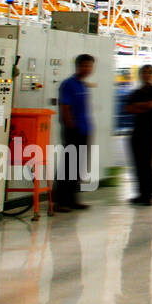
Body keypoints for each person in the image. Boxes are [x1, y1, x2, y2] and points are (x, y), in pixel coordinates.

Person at [54, 54, 95, 211]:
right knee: (68, 166)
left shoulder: (83, 85)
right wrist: (71, 127)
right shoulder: (68, 84)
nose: (87, 69)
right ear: (77, 66)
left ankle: (71, 199)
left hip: (84, 129)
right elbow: (65, 108)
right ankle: (59, 202)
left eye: (89, 66)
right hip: (73, 130)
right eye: (84, 65)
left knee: (78, 167)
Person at [125, 65, 152, 206]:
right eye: (144, 73)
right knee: (138, 163)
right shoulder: (135, 92)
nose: (146, 75)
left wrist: (139, 106)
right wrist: (144, 106)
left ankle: (149, 195)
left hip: (149, 132)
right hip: (137, 131)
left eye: (149, 73)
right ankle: (140, 193)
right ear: (140, 75)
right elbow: (129, 108)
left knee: (148, 164)